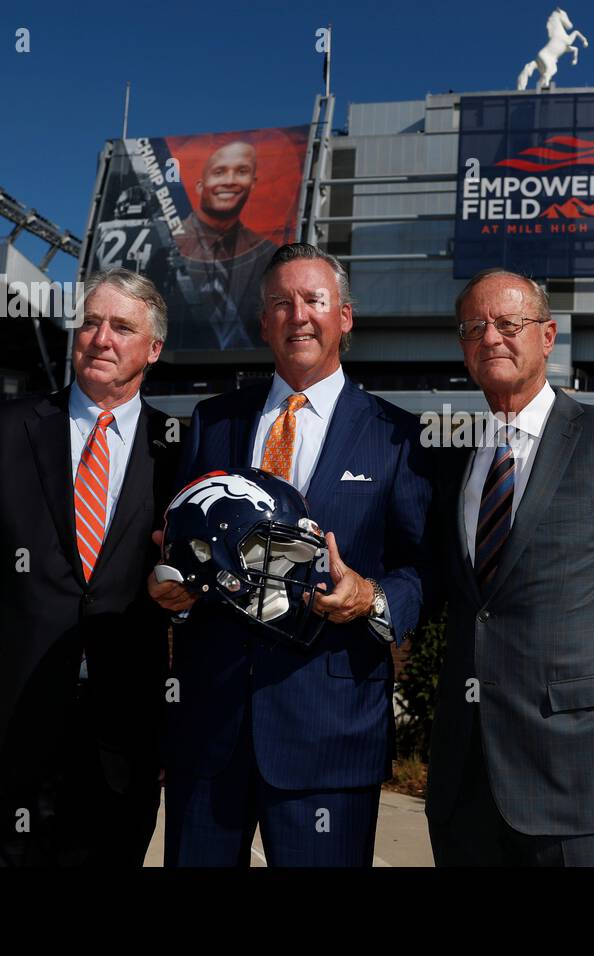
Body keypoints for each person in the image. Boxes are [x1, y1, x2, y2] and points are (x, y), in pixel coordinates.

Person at [149, 242, 435, 867]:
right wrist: (167, 590)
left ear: (345, 317)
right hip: (209, 728)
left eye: (313, 300)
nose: (297, 315)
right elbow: (179, 548)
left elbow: (422, 566)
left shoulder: (398, 436)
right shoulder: (211, 423)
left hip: (328, 731)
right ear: (263, 323)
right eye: (280, 302)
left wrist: (370, 596)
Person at [0, 269, 181, 866]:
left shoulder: (180, 450)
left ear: (153, 349)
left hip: (119, 752)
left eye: (122, 327)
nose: (100, 338)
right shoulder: (0, 430)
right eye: (89, 322)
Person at [424, 268, 594, 866]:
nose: (491, 337)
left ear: (547, 336)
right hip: (467, 778)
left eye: (508, 323)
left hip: (583, 772)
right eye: (474, 327)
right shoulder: (457, 458)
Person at [175, 140, 275, 350]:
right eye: (219, 172)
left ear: (253, 183)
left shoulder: (270, 254)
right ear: (200, 186)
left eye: (241, 171)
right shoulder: (167, 244)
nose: (230, 181)